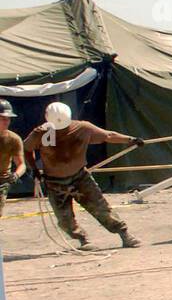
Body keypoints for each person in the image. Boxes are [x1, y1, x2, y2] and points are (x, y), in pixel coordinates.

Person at [22, 102, 143, 248]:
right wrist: (34, 169)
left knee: (101, 208)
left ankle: (125, 235)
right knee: (65, 220)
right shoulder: (39, 133)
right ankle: (83, 239)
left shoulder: (82, 128)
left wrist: (130, 139)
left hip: (80, 178)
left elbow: (108, 135)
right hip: (54, 182)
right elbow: (27, 149)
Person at [0, 100, 27, 219]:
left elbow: (22, 164)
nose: (6, 122)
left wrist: (16, 175)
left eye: (8, 119)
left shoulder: (13, 139)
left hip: (2, 181)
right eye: (3, 118)